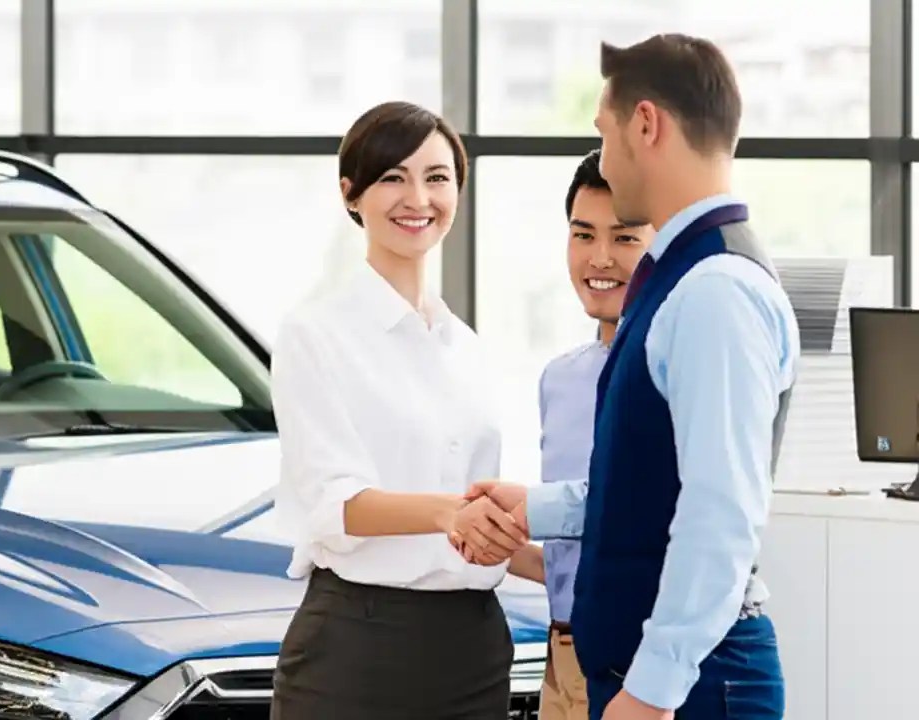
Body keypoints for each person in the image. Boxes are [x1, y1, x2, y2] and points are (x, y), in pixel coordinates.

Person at [464, 35, 800, 720]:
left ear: (645, 124)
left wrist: (652, 690)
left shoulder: (713, 290)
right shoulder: (680, 279)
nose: (605, 160)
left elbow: (719, 512)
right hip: (660, 680)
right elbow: (653, 484)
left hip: (690, 688)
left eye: (604, 133)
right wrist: (532, 505)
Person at [268, 100, 538, 720]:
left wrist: (572, 572)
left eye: (437, 178)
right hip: (361, 647)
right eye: (393, 177)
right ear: (351, 194)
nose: (417, 197)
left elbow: (478, 523)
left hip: (474, 647)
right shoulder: (315, 333)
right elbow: (334, 504)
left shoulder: (466, 347)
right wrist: (453, 515)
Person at [536, 149, 653, 720]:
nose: (599, 258)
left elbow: (640, 518)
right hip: (558, 658)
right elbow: (571, 554)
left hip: (630, 662)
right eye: (583, 235)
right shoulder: (559, 379)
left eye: (624, 239)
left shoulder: (666, 369)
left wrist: (521, 510)